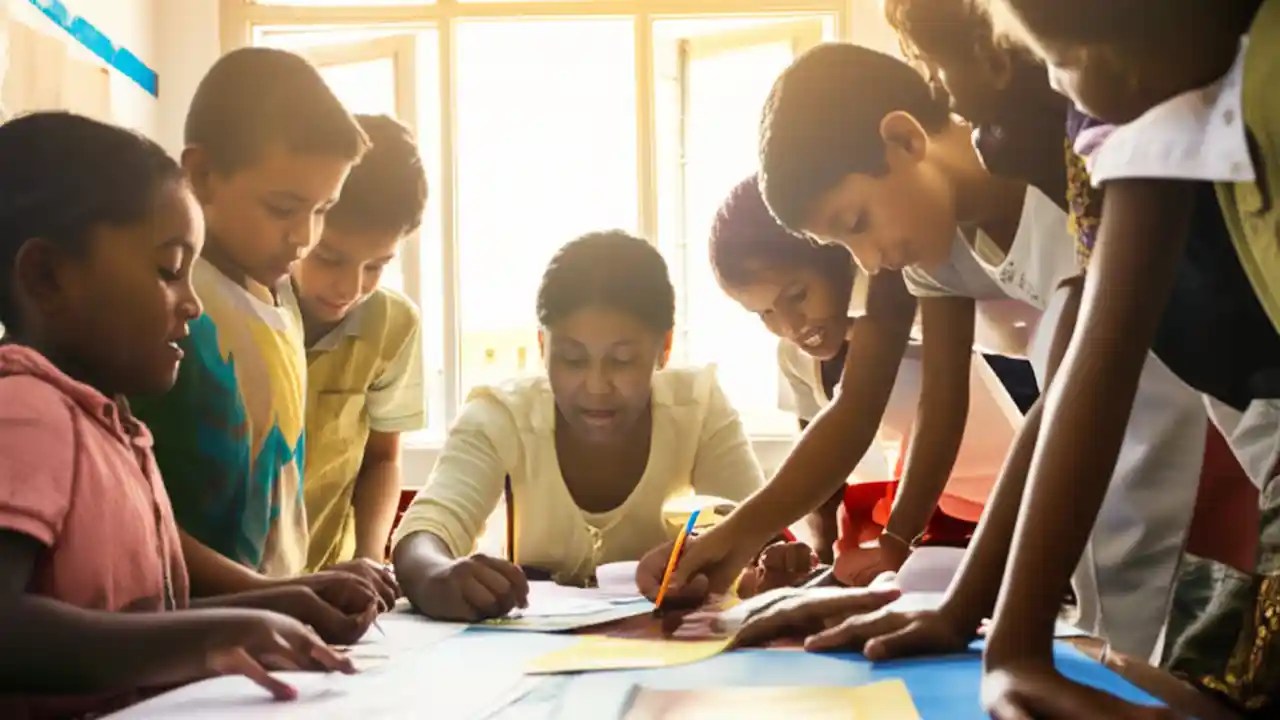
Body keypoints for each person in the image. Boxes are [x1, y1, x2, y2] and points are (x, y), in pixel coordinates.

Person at [641, 43, 1211, 662]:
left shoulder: (1068, 179)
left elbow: (1073, 387)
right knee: (1120, 639)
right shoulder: (933, 256)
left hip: (1203, 439)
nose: (867, 262)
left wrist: (958, 600)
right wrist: (737, 536)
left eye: (856, 223)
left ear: (906, 140)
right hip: (1112, 469)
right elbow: (889, 405)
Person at [963, 0, 1280, 715]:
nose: (1060, 88)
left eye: (1067, 56)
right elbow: (1098, 356)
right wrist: (1008, 644)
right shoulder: (1163, 92)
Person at [0, 112, 356, 717]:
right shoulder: (26, 411)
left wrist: (266, 611)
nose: (191, 303)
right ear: (48, 276)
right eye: (168, 271)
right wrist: (214, 636)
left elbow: (127, 625)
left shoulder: (110, 426)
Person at [128, 48, 394, 618]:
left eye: (323, 209)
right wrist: (270, 597)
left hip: (267, 629)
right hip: (175, 641)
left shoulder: (283, 300)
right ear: (200, 175)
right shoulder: (168, 303)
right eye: (283, 207)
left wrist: (310, 583)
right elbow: (130, 511)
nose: (303, 236)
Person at [393, 231, 769, 621]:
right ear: (542, 347)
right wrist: (436, 575)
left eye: (622, 360)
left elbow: (756, 529)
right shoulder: (501, 414)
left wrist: (735, 561)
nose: (596, 386)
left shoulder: (699, 406)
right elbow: (425, 533)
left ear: (665, 348)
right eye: (572, 360)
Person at [708, 175, 1027, 585]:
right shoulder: (796, 359)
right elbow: (825, 486)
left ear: (837, 257)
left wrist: (897, 537)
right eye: (764, 313)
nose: (789, 324)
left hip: (999, 507)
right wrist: (815, 570)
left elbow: (880, 412)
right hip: (920, 524)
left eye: (798, 295)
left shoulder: (901, 302)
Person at [285, 114, 428, 572]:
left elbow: (383, 458)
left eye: (376, 266)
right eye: (329, 257)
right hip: (232, 583)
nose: (350, 286)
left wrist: (369, 556)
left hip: (328, 574)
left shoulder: (394, 324)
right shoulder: (247, 306)